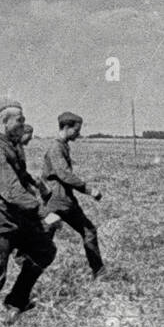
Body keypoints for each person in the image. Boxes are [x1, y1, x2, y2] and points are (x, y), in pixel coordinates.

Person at [0, 100, 58, 327]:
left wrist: (34, 183)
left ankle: (16, 300)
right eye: (19, 119)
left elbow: (19, 175)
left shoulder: (9, 144)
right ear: (4, 121)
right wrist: (44, 213)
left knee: (44, 250)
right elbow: (11, 190)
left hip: (13, 215)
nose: (23, 123)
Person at [42, 112, 104, 278]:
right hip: (57, 204)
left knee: (87, 231)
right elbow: (65, 174)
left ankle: (99, 271)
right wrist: (89, 190)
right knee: (44, 237)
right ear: (66, 127)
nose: (79, 133)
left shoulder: (62, 146)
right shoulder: (56, 148)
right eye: (77, 129)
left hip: (64, 202)